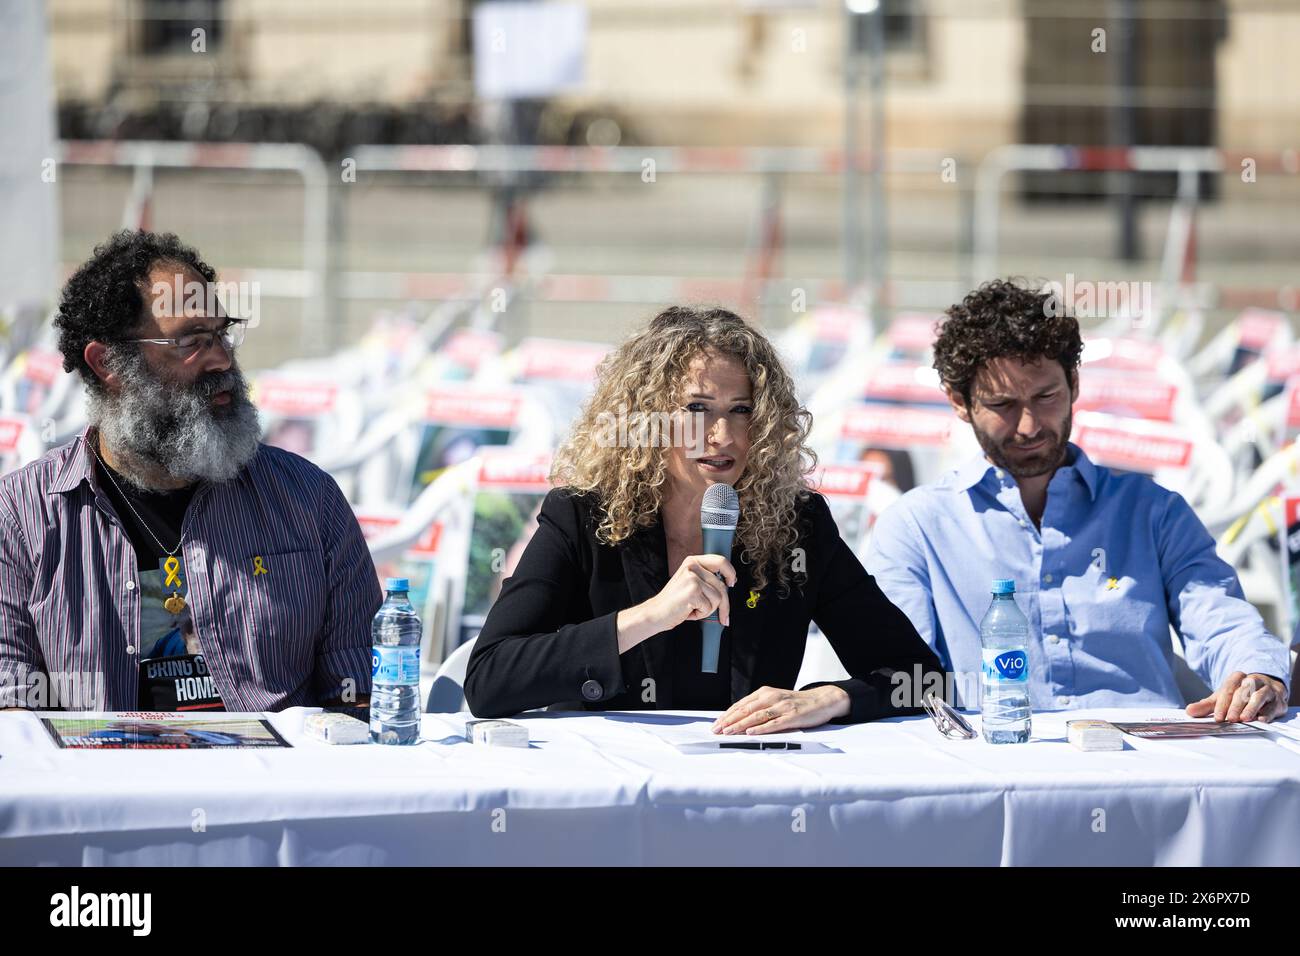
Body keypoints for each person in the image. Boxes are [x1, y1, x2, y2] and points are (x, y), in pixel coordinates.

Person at [465, 306, 942, 732]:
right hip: (612, 785)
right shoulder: (582, 515)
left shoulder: (799, 524)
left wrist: (829, 699)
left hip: (743, 783)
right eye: (697, 409)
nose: (722, 436)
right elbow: (489, 679)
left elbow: (922, 678)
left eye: (742, 411)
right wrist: (650, 616)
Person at [865, 278, 1291, 721]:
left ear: (1074, 383)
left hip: (1150, 758)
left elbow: (1222, 621)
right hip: (991, 755)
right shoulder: (915, 527)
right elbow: (896, 675)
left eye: (1045, 396)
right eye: (1002, 405)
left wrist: (1257, 675)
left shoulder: (1153, 512)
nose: (1029, 425)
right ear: (959, 402)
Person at [0, 230, 382, 711]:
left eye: (222, 334)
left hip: (276, 762)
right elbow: (12, 713)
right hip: (104, 761)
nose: (222, 359)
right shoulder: (23, 517)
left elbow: (361, 692)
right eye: (191, 342)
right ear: (107, 363)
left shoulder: (308, 500)